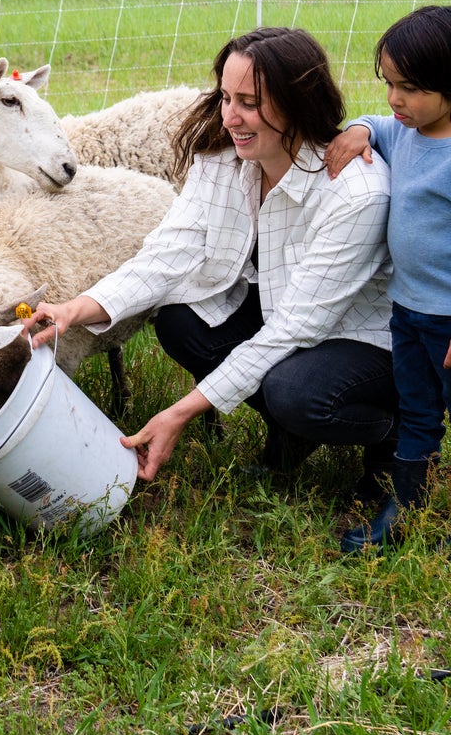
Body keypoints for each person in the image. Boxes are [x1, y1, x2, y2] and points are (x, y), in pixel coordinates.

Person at [20, 26, 396, 500]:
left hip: (362, 339)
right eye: (225, 97)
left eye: (249, 102)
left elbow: (294, 329)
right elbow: (165, 255)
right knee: (181, 319)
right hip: (286, 311)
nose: (230, 117)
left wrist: (179, 413)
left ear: (298, 102)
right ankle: (291, 432)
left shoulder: (354, 191)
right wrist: (77, 308)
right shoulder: (224, 159)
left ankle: (395, 435)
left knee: (293, 391)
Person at [322, 5, 451, 562]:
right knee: (416, 409)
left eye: (408, 88)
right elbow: (380, 126)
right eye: (388, 84)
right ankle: (406, 505)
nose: (394, 100)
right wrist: (360, 128)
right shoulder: (406, 132)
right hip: (406, 312)